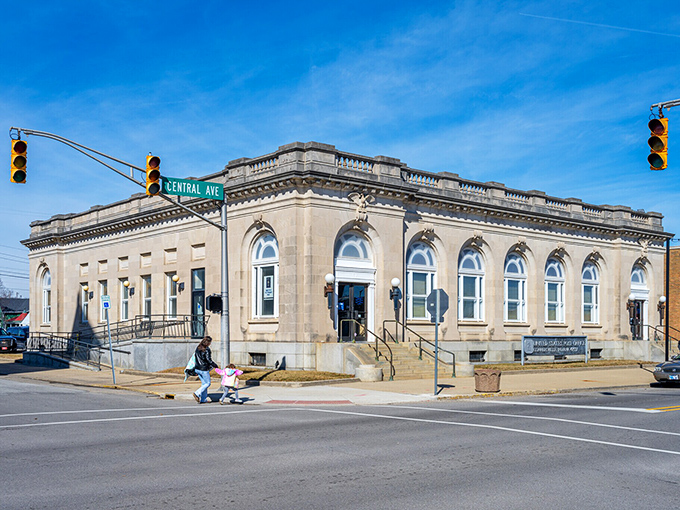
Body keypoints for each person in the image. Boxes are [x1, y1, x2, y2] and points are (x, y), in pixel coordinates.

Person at [193, 335, 218, 403]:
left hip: (197, 368)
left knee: (204, 384)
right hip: (203, 369)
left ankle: (203, 399)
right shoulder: (207, 349)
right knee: (208, 383)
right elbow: (208, 360)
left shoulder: (198, 347)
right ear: (208, 343)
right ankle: (197, 393)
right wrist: (214, 365)